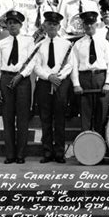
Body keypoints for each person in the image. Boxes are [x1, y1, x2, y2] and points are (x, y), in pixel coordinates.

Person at [0, 10, 35, 164]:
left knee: (22, 119)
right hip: (6, 80)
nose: (12, 26)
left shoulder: (29, 41)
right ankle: (10, 154)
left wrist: (21, 75)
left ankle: (21, 154)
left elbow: (32, 62)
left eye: (15, 23)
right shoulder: (1, 44)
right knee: (7, 118)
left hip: (22, 81)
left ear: (20, 25)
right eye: (9, 23)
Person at [34, 12, 73, 164]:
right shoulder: (39, 45)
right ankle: (47, 152)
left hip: (60, 84)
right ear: (44, 26)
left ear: (59, 26)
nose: (52, 27)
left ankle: (59, 153)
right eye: (49, 24)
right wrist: (48, 77)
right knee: (45, 120)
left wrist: (59, 77)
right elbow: (36, 66)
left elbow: (70, 65)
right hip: (44, 84)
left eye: (55, 24)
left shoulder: (66, 44)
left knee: (59, 120)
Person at [71, 11, 109, 135]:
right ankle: (86, 150)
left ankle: (99, 148)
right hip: (84, 79)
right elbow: (74, 66)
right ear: (83, 26)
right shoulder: (78, 44)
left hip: (100, 79)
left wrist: (108, 83)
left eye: (91, 23)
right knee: (85, 117)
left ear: (96, 25)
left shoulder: (104, 43)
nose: (89, 26)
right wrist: (76, 84)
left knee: (101, 116)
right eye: (86, 24)